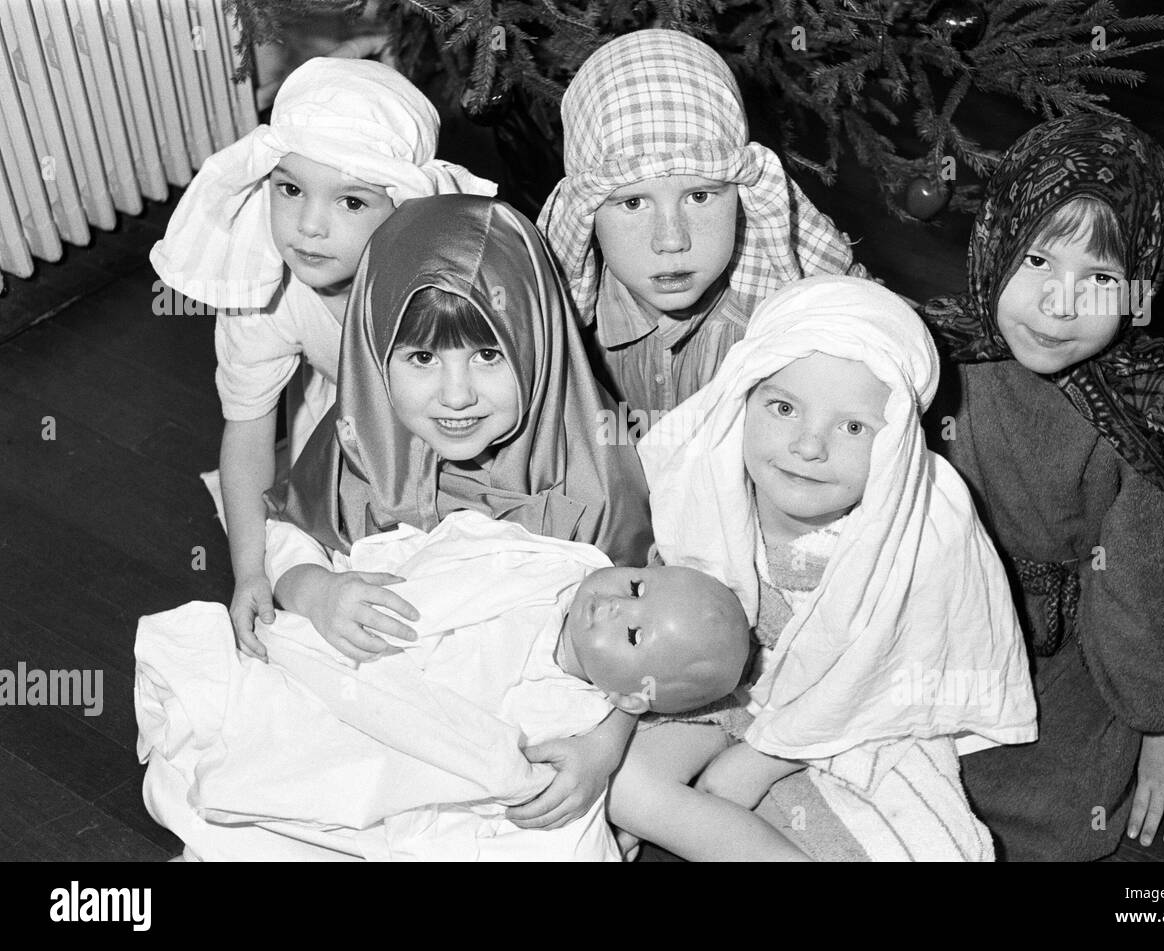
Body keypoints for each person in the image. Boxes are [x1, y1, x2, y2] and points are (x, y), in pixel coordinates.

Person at [918, 113, 1164, 860]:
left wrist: (1163, 726)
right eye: (1038, 260)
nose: (1059, 303)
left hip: (1100, 638)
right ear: (995, 242)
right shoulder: (936, 358)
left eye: (1101, 278)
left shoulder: (1145, 426)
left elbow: (1147, 593)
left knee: (1043, 809)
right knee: (874, 745)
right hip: (957, 605)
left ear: (1140, 286)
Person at [608, 275, 1038, 861]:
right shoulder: (706, 487)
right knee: (624, 788)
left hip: (850, 709)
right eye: (783, 408)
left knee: (916, 847)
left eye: (853, 427)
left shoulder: (915, 530)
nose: (809, 446)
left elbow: (893, 677)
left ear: (897, 446)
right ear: (742, 400)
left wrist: (765, 758)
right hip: (723, 689)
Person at [263, 193, 655, 834]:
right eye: (421, 358)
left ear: (538, 343)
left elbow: (648, 634)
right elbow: (289, 535)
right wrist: (316, 590)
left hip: (516, 726)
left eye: (488, 355)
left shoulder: (598, 468)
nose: (455, 395)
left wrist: (603, 749)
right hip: (380, 697)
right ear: (372, 351)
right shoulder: (359, 440)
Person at [135, 511, 750, 861]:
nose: (615, 606)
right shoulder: (558, 566)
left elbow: (519, 790)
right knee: (256, 711)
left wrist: (593, 753)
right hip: (358, 667)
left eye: (635, 635)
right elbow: (447, 553)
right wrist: (321, 591)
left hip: (400, 743)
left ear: (631, 696)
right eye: (637, 587)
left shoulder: (578, 713)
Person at [149, 57, 497, 660]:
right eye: (290, 189)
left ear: (405, 207)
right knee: (326, 561)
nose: (309, 227)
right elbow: (249, 431)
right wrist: (251, 573)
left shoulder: (451, 280)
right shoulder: (264, 297)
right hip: (346, 428)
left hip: (467, 424)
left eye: (352, 203)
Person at [538, 29, 869, 420]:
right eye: (632, 202)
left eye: (699, 196)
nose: (672, 240)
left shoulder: (776, 327)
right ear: (587, 213)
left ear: (743, 198)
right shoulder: (565, 333)